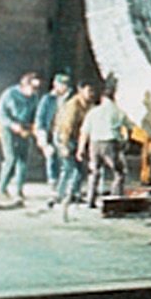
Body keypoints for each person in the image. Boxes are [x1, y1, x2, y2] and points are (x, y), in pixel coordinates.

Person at [78, 77, 128, 207]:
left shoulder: (93, 111)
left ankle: (90, 199)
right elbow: (128, 128)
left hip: (94, 144)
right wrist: (124, 142)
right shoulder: (118, 111)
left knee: (94, 172)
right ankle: (115, 197)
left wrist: (80, 149)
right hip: (110, 143)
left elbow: (84, 132)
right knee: (119, 173)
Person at [0, 71, 42, 203]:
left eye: (36, 89)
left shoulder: (34, 98)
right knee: (11, 158)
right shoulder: (9, 94)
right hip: (9, 128)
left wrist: (33, 127)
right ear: (23, 85)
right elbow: (0, 114)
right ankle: (2, 189)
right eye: (31, 88)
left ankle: (19, 190)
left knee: (23, 160)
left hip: (24, 127)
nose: (33, 92)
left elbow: (35, 114)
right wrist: (12, 125)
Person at [52, 78, 95, 209]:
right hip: (65, 137)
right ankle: (60, 195)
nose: (91, 93)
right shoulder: (73, 105)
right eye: (88, 90)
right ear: (80, 90)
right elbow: (66, 126)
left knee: (81, 169)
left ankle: (74, 193)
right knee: (69, 168)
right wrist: (64, 146)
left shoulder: (88, 105)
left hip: (76, 138)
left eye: (92, 90)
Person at [33, 74, 71, 208]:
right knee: (52, 160)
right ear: (55, 84)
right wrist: (42, 139)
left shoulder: (71, 99)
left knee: (66, 164)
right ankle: (53, 189)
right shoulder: (48, 99)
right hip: (52, 134)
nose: (64, 88)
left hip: (65, 135)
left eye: (66, 85)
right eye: (61, 85)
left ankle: (63, 191)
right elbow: (40, 119)